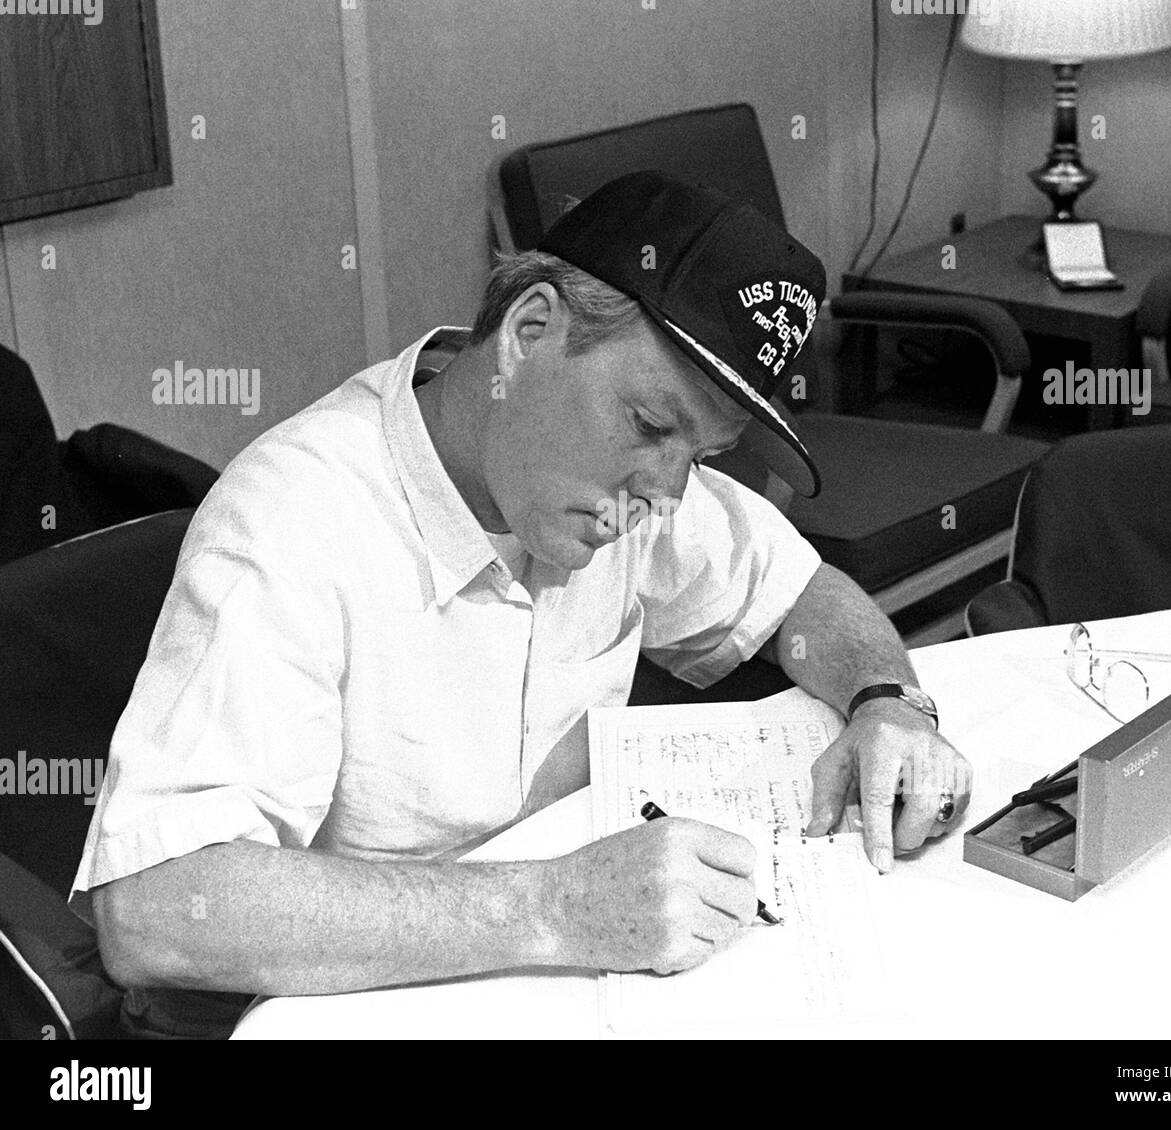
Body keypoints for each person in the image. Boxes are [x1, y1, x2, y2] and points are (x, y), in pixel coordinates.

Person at [73, 172, 971, 1030]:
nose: (663, 494)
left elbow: (804, 596)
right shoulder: (293, 522)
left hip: (533, 987)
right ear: (530, 331)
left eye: (700, 456)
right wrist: (558, 905)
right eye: (651, 426)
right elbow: (154, 908)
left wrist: (887, 701)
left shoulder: (626, 489)